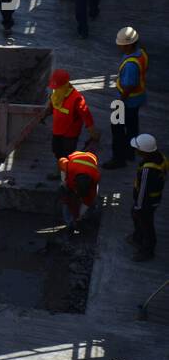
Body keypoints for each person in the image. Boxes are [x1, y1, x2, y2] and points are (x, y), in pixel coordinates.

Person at [106, 26, 149, 170]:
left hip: (126, 101)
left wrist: (120, 101)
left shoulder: (130, 65)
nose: (118, 46)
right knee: (132, 126)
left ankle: (118, 159)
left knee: (117, 130)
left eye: (121, 44)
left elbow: (129, 86)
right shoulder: (141, 54)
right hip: (137, 99)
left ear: (129, 44)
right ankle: (131, 152)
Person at [43, 70, 98, 178]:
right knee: (57, 152)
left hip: (70, 134)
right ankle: (59, 171)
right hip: (57, 130)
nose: (55, 89)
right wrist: (43, 115)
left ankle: (65, 177)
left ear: (65, 85)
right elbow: (51, 107)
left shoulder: (77, 99)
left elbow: (87, 118)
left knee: (67, 154)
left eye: (57, 87)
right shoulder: (55, 95)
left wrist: (93, 134)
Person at [130, 133, 166, 261]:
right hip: (153, 199)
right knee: (137, 217)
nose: (136, 150)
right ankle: (137, 237)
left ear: (144, 152)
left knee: (147, 225)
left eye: (137, 148)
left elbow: (143, 191)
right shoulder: (160, 158)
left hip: (146, 202)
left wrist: (138, 207)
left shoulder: (148, 170)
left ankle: (147, 250)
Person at [57, 149, 101, 234]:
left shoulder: (95, 178)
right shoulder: (68, 166)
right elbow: (61, 160)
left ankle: (77, 219)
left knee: (91, 200)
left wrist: (79, 216)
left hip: (91, 159)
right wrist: (63, 181)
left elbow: (88, 201)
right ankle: (69, 221)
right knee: (66, 192)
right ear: (74, 181)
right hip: (75, 157)